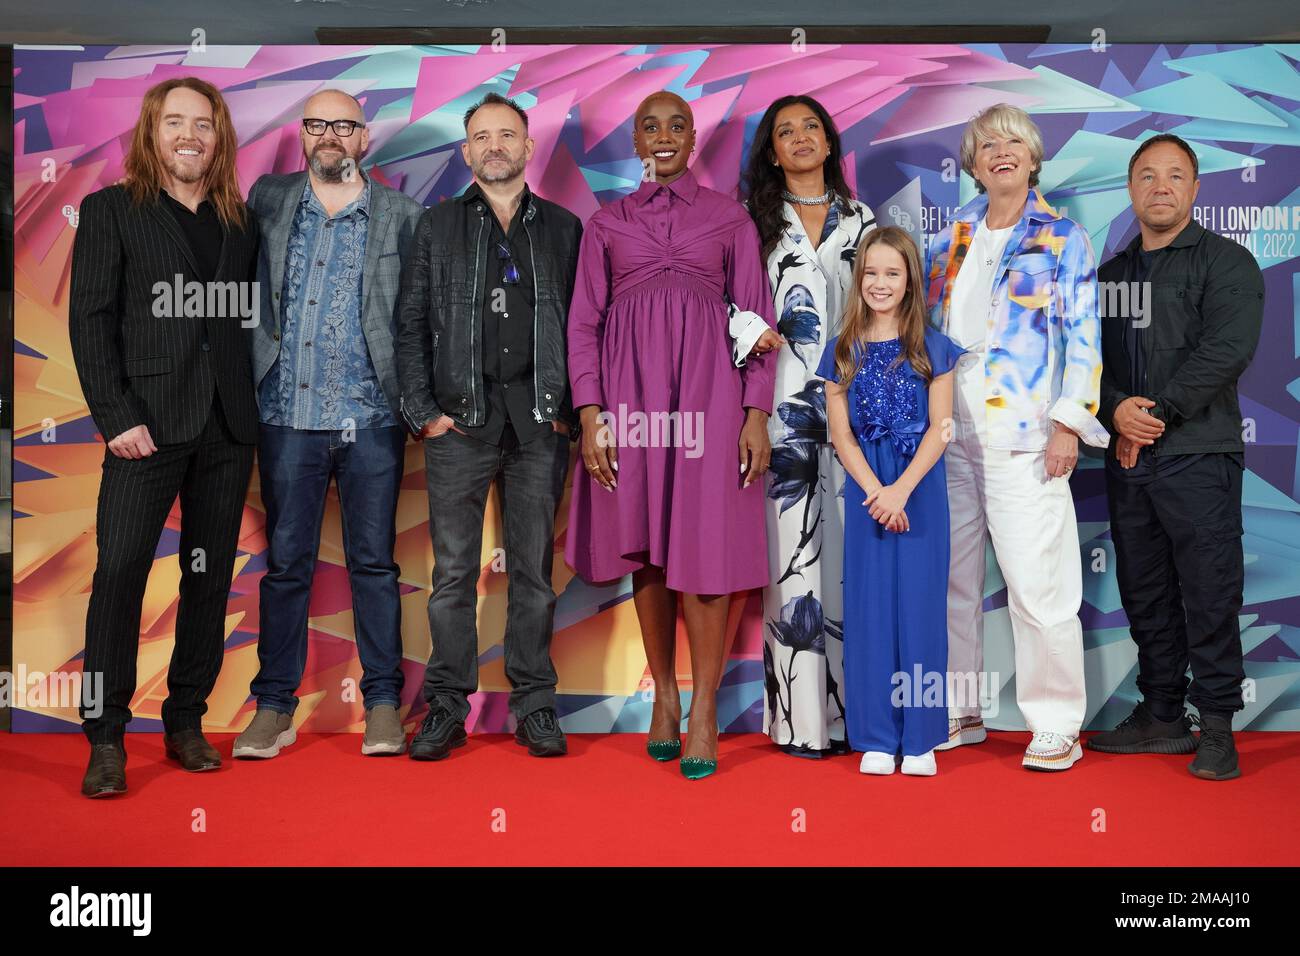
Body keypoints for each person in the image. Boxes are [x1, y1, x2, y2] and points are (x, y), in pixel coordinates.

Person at [566, 91, 778, 780]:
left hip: (710, 403)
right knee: (651, 545)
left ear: (693, 139)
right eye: (650, 126)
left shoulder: (729, 218)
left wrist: (755, 413)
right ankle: (664, 696)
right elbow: (583, 327)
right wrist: (591, 412)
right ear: (635, 139)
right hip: (631, 406)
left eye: (676, 126)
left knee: (706, 545)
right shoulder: (606, 223)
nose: (663, 136)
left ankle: (707, 708)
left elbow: (758, 322)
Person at [69, 77, 259, 796]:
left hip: (226, 430)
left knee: (207, 579)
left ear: (219, 137)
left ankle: (185, 722)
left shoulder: (239, 220)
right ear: (152, 132)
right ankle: (106, 738)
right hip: (142, 429)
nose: (190, 135)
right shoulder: (111, 210)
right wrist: (116, 417)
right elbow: (90, 320)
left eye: (203, 124)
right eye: (175, 122)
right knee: (118, 577)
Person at [233, 90, 424, 760]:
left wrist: (422, 401)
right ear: (303, 133)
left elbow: (417, 316)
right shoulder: (269, 199)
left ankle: (381, 705)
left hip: (372, 418)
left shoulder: (402, 213)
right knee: (287, 566)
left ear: (364, 138)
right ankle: (274, 707)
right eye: (318, 124)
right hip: (287, 415)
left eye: (344, 125)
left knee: (374, 564)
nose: (330, 136)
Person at [396, 93, 582, 760]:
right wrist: (425, 416)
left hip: (539, 426)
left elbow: (584, 330)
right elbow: (410, 325)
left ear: (529, 149)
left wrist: (573, 414)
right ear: (466, 151)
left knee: (532, 573)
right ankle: (446, 706)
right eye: (482, 136)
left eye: (508, 134)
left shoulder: (563, 229)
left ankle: (534, 705)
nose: (496, 145)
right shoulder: (437, 226)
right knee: (452, 576)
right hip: (461, 426)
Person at [925, 104, 1107, 771]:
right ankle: (961, 710)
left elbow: (1086, 338)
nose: (1001, 152)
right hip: (950, 433)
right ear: (972, 164)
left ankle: (1057, 723)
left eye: (1014, 143)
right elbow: (926, 336)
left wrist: (1069, 422)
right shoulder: (947, 242)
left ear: (1032, 158)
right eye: (987, 145)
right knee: (954, 584)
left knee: (1039, 586)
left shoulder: (1063, 238)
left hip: (1027, 434)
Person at [1088, 134, 1263, 780]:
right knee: (1145, 590)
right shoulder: (1109, 278)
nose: (1161, 186)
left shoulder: (1227, 263)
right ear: (1130, 188)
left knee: (1209, 591)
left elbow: (1226, 351)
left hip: (1199, 455)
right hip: (1129, 460)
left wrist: (1150, 415)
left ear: (1194, 188)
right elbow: (1087, 366)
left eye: (1175, 175)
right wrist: (1114, 411)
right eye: (1147, 175)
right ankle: (1161, 714)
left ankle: (1216, 726)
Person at [739, 94, 878, 759]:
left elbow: (891, 312)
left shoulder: (865, 221)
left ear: (830, 143)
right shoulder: (751, 226)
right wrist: (749, 330)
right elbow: (725, 304)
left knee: (854, 563)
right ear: (772, 151)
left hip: (860, 415)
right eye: (785, 131)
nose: (799, 138)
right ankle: (799, 725)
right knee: (793, 565)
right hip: (783, 412)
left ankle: (859, 718)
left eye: (810, 128)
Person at [819, 227, 961, 775]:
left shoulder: (935, 347)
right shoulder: (843, 350)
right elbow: (840, 435)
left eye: (892, 274)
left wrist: (901, 490)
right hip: (866, 495)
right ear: (859, 280)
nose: (880, 283)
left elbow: (942, 427)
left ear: (910, 282)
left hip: (919, 491)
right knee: (871, 609)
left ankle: (922, 736)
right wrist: (876, 492)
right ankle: (876, 734)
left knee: (920, 609)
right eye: (870, 273)